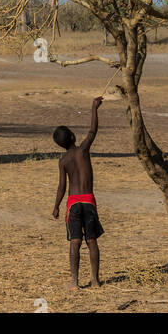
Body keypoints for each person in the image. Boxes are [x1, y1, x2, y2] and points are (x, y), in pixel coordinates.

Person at [52, 96, 105, 289]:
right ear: (73, 137)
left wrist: (56, 206)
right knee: (91, 240)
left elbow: (61, 187)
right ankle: (95, 280)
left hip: (73, 203)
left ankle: (74, 282)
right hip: (89, 201)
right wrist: (94, 107)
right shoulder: (83, 150)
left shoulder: (63, 161)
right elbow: (93, 131)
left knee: (75, 241)